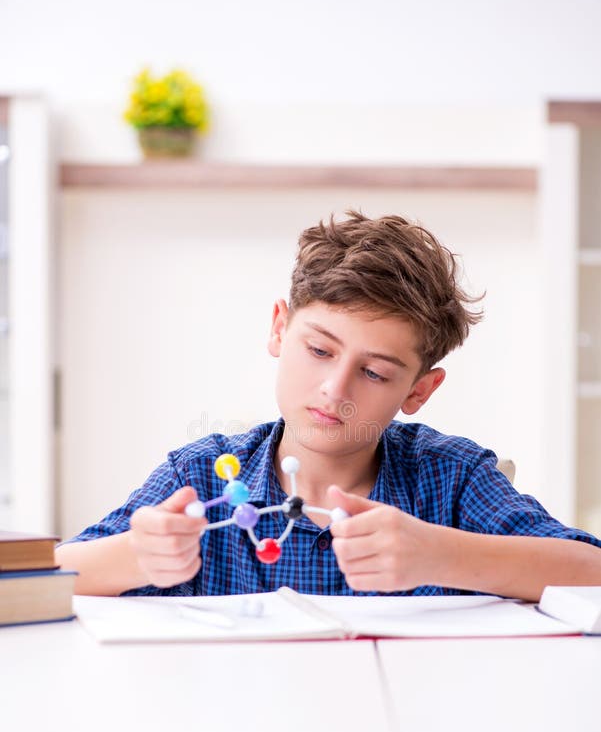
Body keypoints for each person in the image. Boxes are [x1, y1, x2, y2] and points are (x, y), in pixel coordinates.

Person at [57, 211, 601, 601]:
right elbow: (49, 576)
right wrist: (132, 557)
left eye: (374, 372)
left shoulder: (449, 479)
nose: (335, 391)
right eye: (319, 350)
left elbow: (591, 571)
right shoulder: (203, 476)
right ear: (279, 328)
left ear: (418, 390)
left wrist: (437, 555)